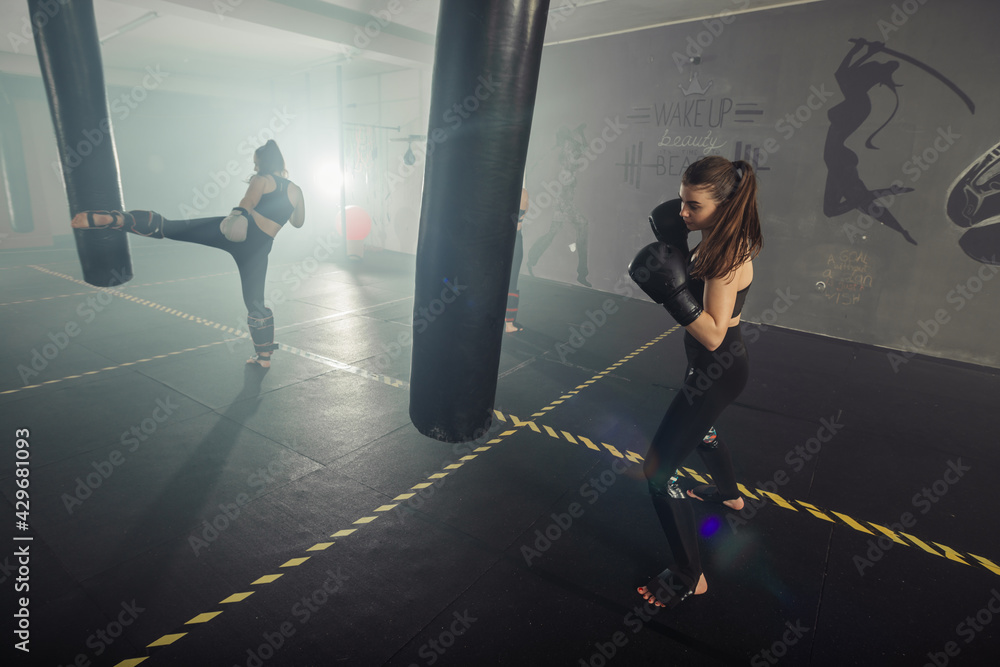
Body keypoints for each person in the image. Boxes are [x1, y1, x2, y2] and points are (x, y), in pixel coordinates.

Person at [627, 155, 762, 608]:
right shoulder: (720, 235)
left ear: (722, 206)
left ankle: (690, 575)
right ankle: (731, 499)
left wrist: (670, 293)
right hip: (717, 365)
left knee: (657, 471)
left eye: (692, 206)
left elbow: (711, 333)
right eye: (682, 201)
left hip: (716, 365)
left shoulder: (726, 254)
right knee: (703, 434)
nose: (681, 212)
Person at [71, 140, 305, 369]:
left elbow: (249, 200)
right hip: (260, 247)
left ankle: (114, 219)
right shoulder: (296, 190)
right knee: (255, 302)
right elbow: (298, 222)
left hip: (241, 231)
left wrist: (238, 214)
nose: (254, 168)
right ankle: (264, 357)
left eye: (256, 163)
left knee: (172, 228)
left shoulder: (262, 179)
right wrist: (287, 207)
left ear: (264, 162)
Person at [505, 187, 529, 333]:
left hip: (496, 240)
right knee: (511, 281)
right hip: (514, 239)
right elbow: (524, 212)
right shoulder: (522, 192)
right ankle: (509, 323)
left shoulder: (496, 191)